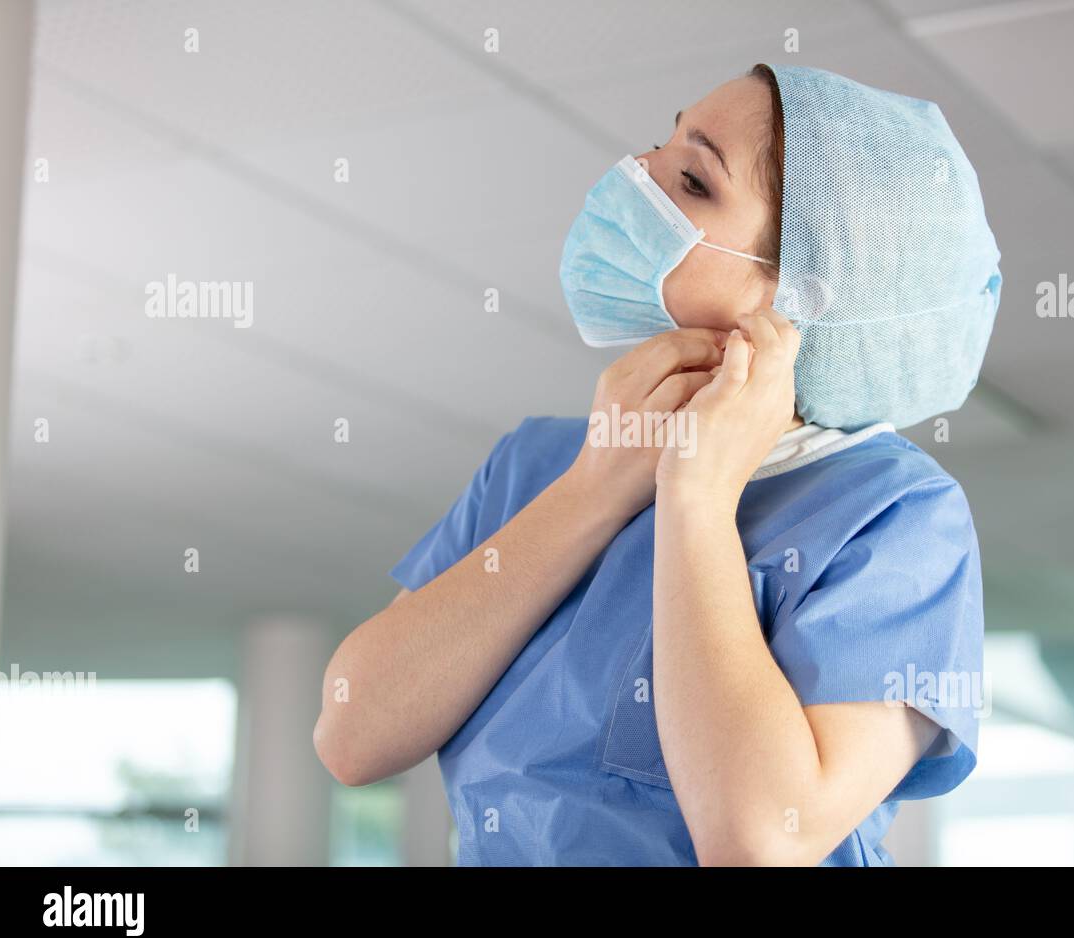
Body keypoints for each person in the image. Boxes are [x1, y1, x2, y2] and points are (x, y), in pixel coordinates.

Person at [313, 63, 1003, 866]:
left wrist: (698, 500)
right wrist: (592, 492)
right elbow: (350, 735)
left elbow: (757, 840)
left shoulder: (896, 517)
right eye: (658, 143)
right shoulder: (536, 464)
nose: (635, 173)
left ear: (801, 298)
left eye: (691, 178)